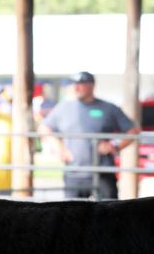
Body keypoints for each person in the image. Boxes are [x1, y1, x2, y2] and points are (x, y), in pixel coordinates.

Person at [40, 71, 140, 200]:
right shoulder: (63, 107)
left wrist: (114, 145)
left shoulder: (108, 108)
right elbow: (43, 127)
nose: (76, 87)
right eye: (74, 84)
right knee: (72, 214)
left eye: (81, 84)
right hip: (74, 173)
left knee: (109, 212)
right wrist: (58, 146)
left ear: (92, 85)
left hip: (103, 172)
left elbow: (133, 131)